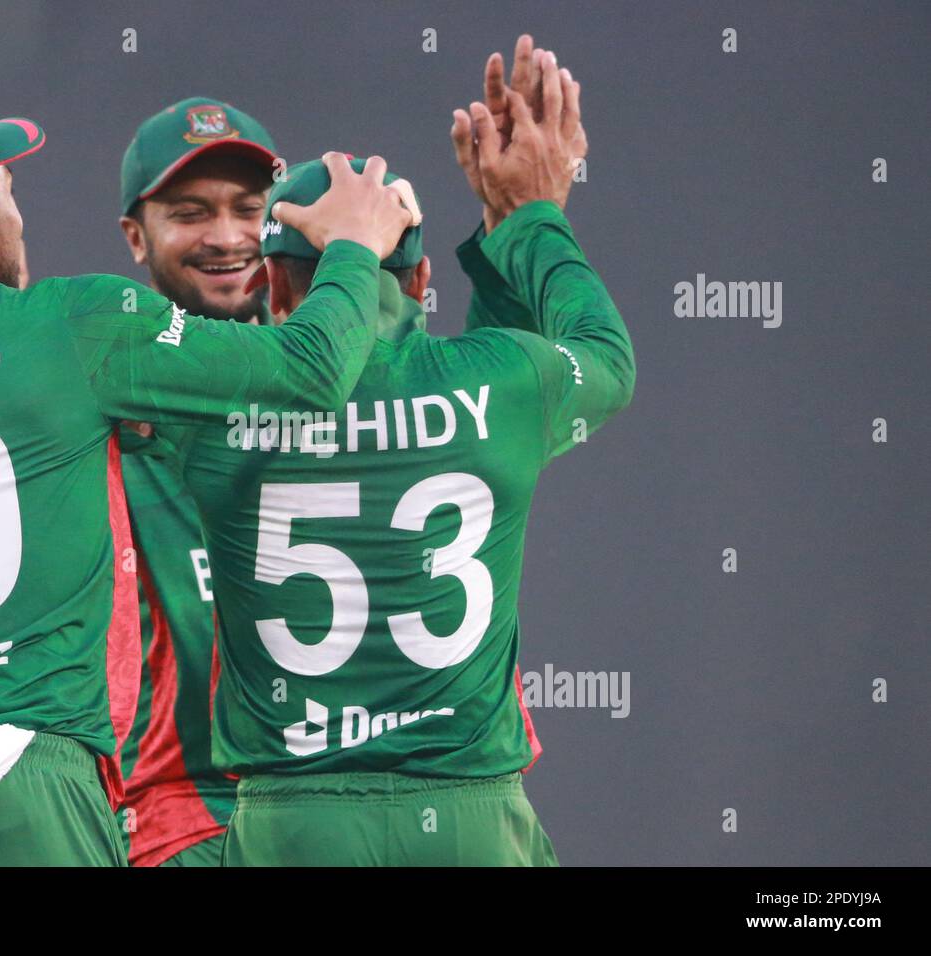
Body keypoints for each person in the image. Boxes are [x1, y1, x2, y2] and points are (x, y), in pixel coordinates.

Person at [0, 86, 411, 865]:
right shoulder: (69, 328)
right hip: (20, 772)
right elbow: (314, 369)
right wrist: (356, 248)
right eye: (8, 186)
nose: (18, 212)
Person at [136, 45, 635, 865]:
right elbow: (603, 359)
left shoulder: (210, 407)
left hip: (292, 825)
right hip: (471, 820)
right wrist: (533, 214)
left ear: (270, 283)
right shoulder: (503, 385)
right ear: (426, 278)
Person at [113, 97, 277, 867]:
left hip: (332, 810)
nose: (226, 237)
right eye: (191, 212)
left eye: (250, 209)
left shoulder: (353, 391)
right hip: (180, 829)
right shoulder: (93, 402)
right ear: (136, 237)